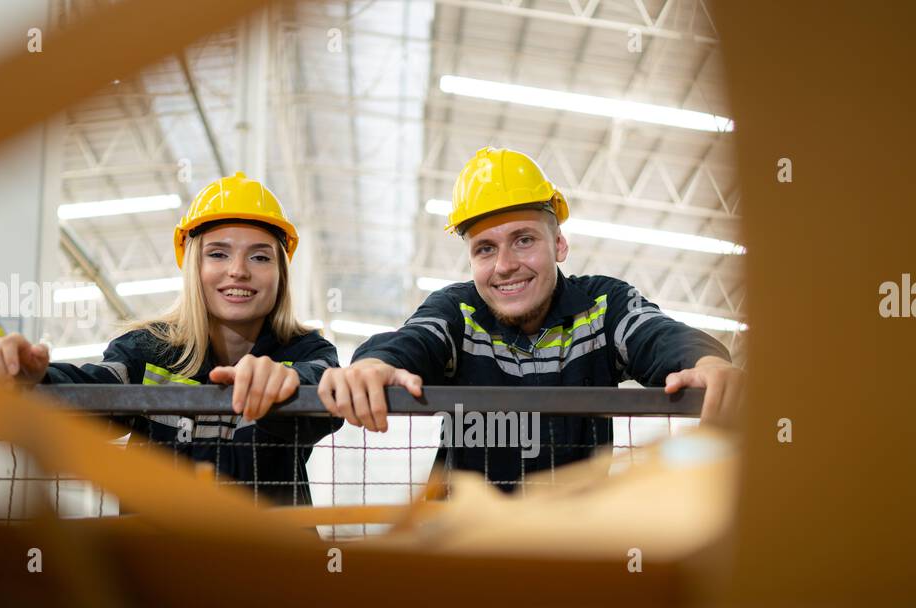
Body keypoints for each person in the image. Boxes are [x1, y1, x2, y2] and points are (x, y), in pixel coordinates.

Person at [316, 147, 746, 489]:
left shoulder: (602, 305)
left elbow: (654, 333)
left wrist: (705, 360)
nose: (504, 265)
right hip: (465, 554)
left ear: (559, 244)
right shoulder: (457, 311)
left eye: (523, 240)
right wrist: (373, 364)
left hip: (571, 554)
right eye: (485, 248)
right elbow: (413, 339)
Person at [0, 171, 340, 505]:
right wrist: (39, 381)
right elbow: (97, 388)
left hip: (272, 567)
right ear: (194, 265)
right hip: (157, 565)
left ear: (281, 274)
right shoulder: (146, 350)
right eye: (218, 254)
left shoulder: (308, 352)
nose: (238, 271)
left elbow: (325, 391)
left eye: (260, 258)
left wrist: (287, 383)